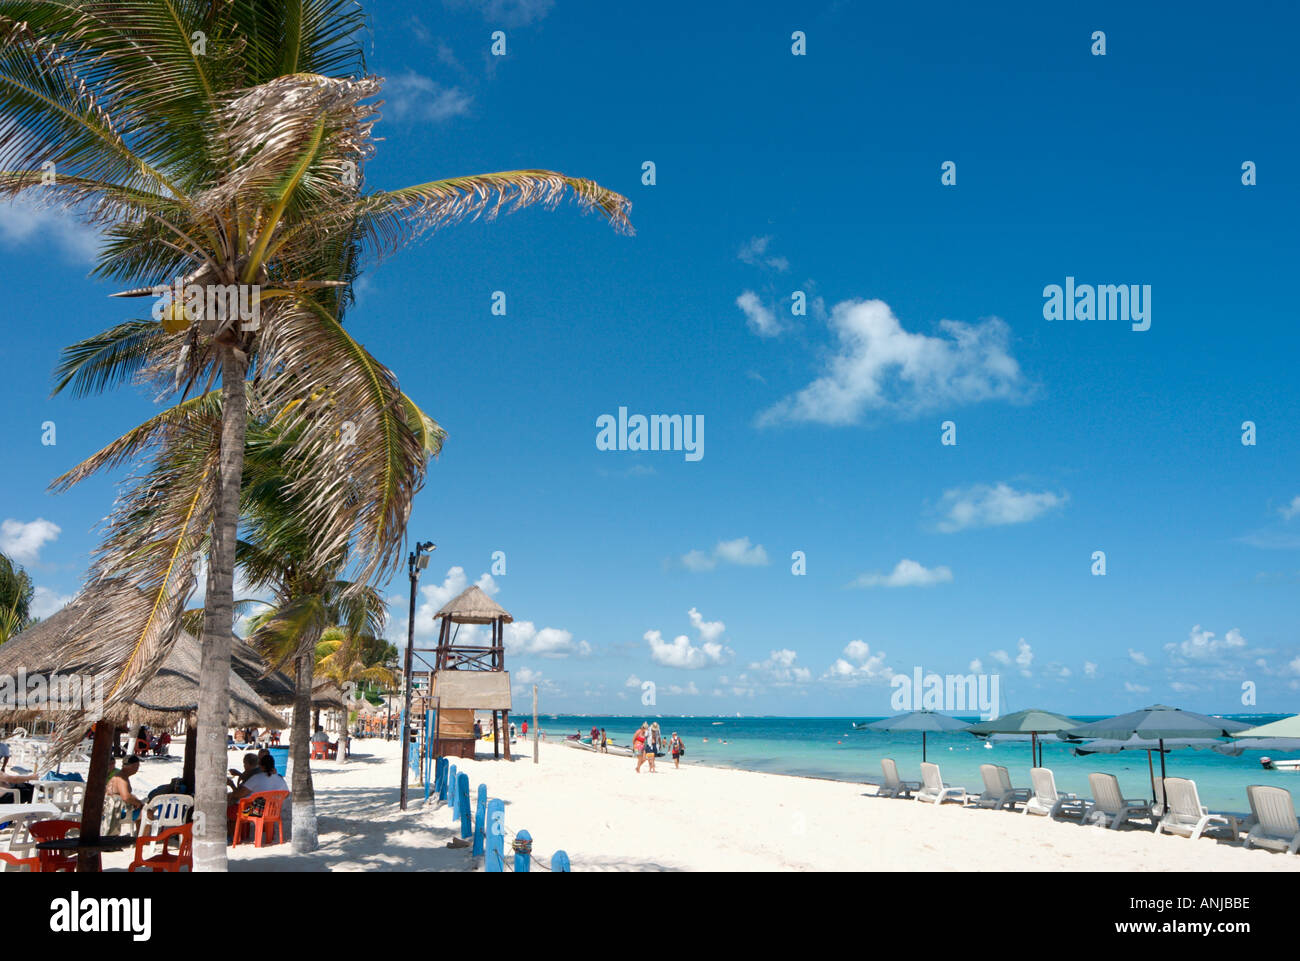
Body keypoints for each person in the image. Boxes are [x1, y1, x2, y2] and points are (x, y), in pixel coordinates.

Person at [107, 755, 145, 821]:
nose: (137, 769)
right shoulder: (121, 778)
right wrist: (139, 803)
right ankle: (143, 831)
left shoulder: (121, 775)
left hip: (113, 808)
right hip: (114, 812)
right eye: (137, 766)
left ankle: (139, 831)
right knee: (147, 813)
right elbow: (126, 797)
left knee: (142, 810)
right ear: (132, 766)